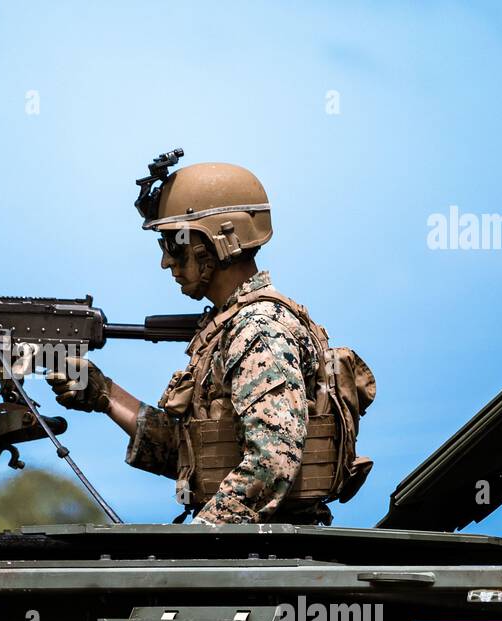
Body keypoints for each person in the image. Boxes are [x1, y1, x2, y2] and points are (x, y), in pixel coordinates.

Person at [49, 159, 334, 525]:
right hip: (247, 548)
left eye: (176, 243)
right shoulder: (228, 326)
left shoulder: (258, 330)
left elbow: (272, 463)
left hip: (263, 557)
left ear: (220, 240)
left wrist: (197, 540)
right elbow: (195, 457)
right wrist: (105, 394)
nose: (166, 261)